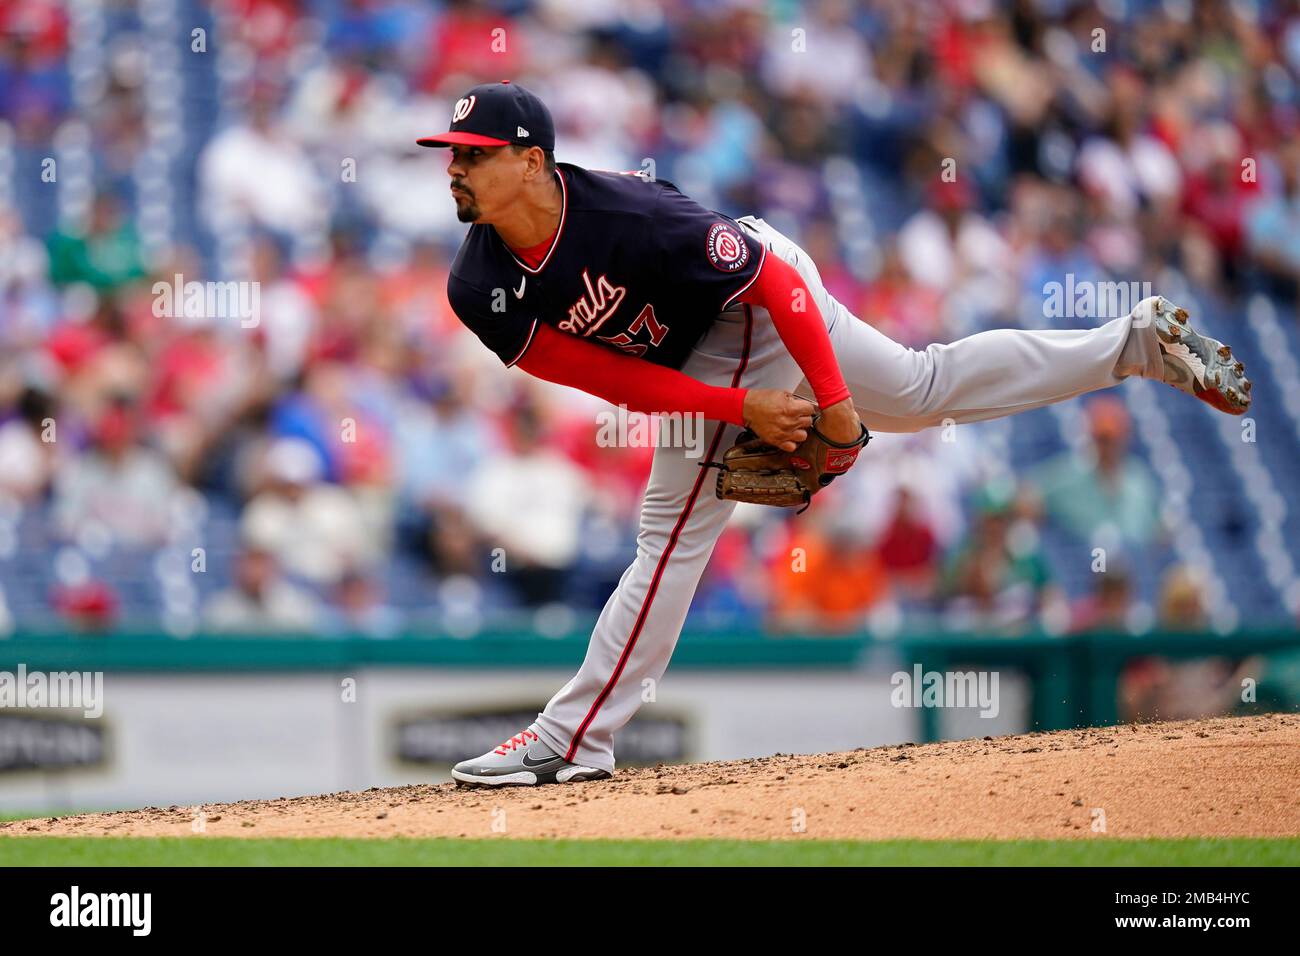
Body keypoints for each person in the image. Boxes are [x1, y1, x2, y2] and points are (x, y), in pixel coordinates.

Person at [423, 82, 1253, 787]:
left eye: (472, 153)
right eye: (453, 153)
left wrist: (834, 407)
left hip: (755, 302)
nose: (453, 167)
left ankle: (573, 739)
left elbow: (778, 284)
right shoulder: (479, 281)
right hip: (702, 353)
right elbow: (611, 379)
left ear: (531, 161)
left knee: (670, 534)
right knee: (923, 389)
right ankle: (1132, 342)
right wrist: (739, 412)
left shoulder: (631, 215)